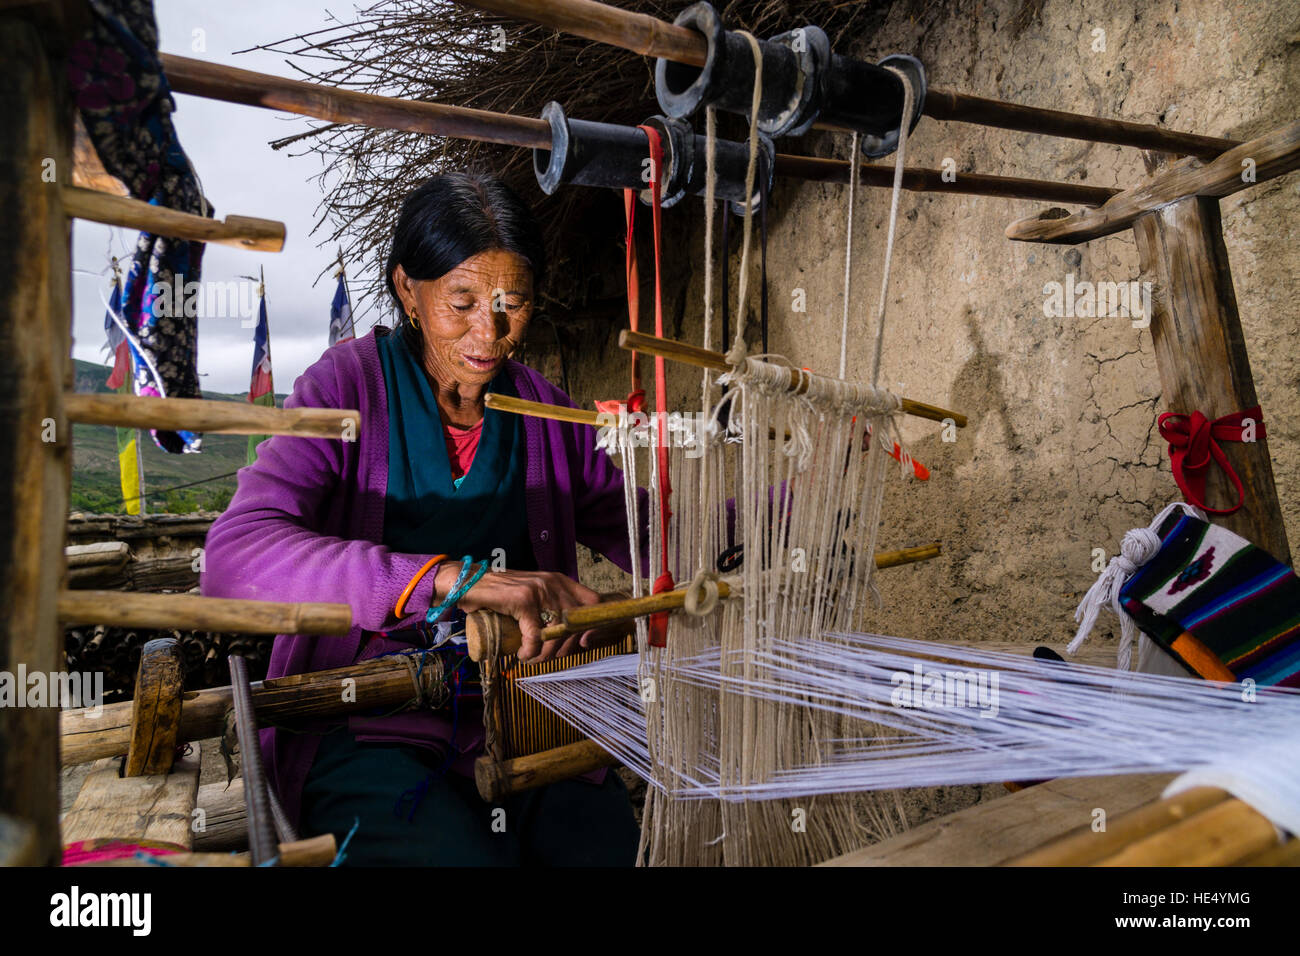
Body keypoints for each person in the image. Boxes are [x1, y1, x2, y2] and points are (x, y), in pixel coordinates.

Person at [202, 172, 648, 865]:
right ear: (409, 290)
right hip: (370, 720)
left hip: (524, 713)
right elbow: (235, 557)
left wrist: (798, 501)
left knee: (604, 850)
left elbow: (650, 530)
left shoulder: (545, 414)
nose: (489, 333)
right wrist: (452, 580)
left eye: (513, 305)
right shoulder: (345, 388)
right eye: (462, 302)